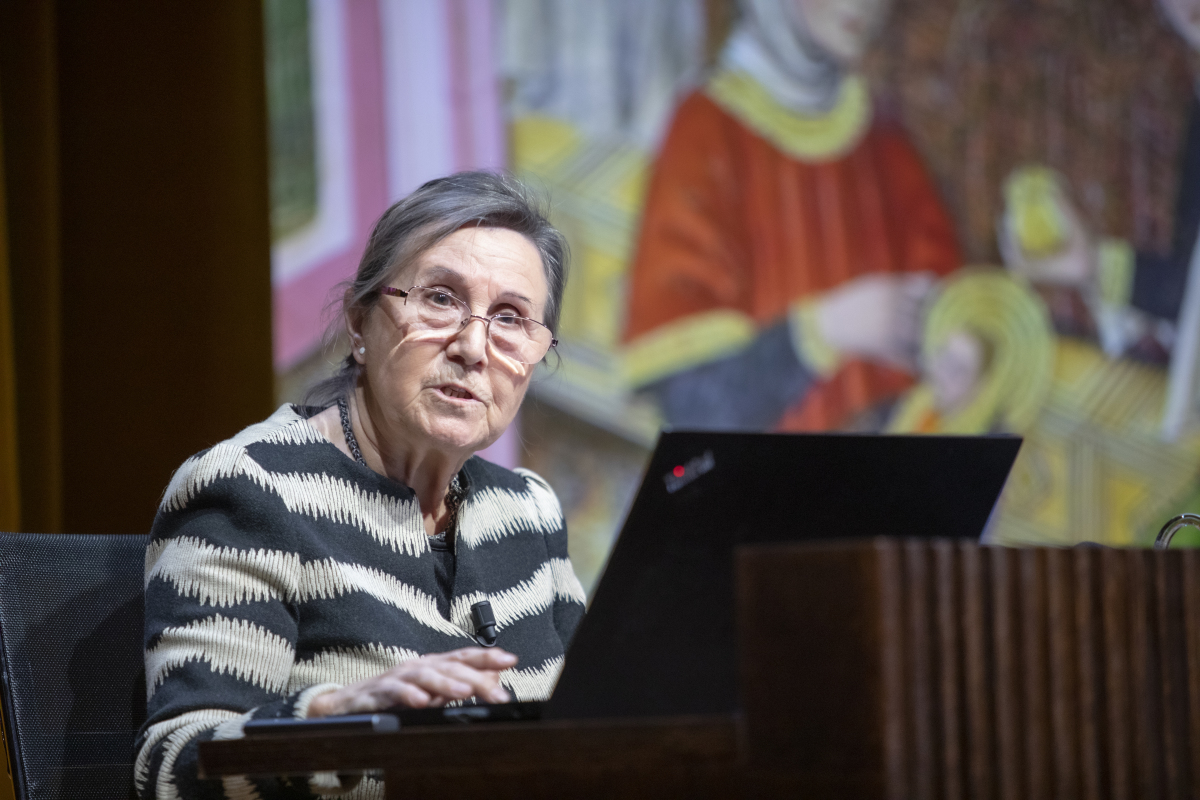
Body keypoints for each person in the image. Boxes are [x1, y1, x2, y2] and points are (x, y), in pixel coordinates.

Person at [134, 172, 586, 799]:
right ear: (359, 322)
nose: (474, 346)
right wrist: (336, 721)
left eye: (511, 317)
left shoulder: (528, 513)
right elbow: (172, 772)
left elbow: (602, 732)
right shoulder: (251, 491)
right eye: (439, 299)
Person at [623, 0, 961, 433]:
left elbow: (954, 311)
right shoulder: (706, 133)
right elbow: (694, 407)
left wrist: (958, 350)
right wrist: (826, 329)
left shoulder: (885, 142)